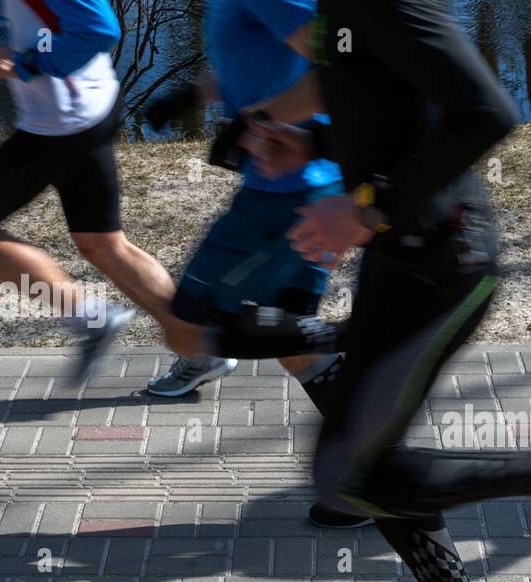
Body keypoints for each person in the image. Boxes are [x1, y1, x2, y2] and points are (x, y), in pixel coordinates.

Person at [238, 0, 531, 582]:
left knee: (347, 476)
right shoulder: (339, 9)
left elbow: (487, 113)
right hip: (403, 260)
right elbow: (398, 114)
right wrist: (313, 147)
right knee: (364, 460)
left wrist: (366, 209)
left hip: (444, 265)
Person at [138, 0, 368, 529]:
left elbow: (335, 61)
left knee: (191, 324)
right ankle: (366, 476)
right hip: (289, 188)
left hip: (284, 199)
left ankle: (360, 337)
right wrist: (192, 94)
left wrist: (255, 121)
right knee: (293, 344)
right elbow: (260, 57)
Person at [0, 0, 176, 383]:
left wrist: (26, 64)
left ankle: (92, 320)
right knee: (102, 243)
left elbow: (101, 30)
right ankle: (201, 347)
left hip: (58, 126)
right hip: (81, 112)